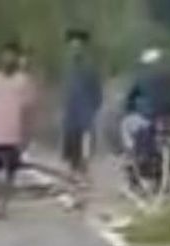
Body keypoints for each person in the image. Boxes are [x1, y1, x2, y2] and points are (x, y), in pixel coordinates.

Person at [0, 41, 37, 217]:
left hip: (13, 135)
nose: (7, 59)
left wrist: (26, 135)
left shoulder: (23, 81)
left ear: (16, 58)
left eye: (11, 55)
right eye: (5, 55)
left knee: (9, 173)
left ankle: (2, 207)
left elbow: (28, 110)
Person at [61, 28, 103, 189]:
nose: (75, 49)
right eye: (72, 46)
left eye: (78, 46)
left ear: (84, 48)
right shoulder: (67, 68)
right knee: (71, 147)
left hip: (85, 115)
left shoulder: (90, 69)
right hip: (70, 115)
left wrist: (93, 109)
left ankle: (84, 175)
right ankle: (73, 175)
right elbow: (65, 91)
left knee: (85, 148)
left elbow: (97, 93)